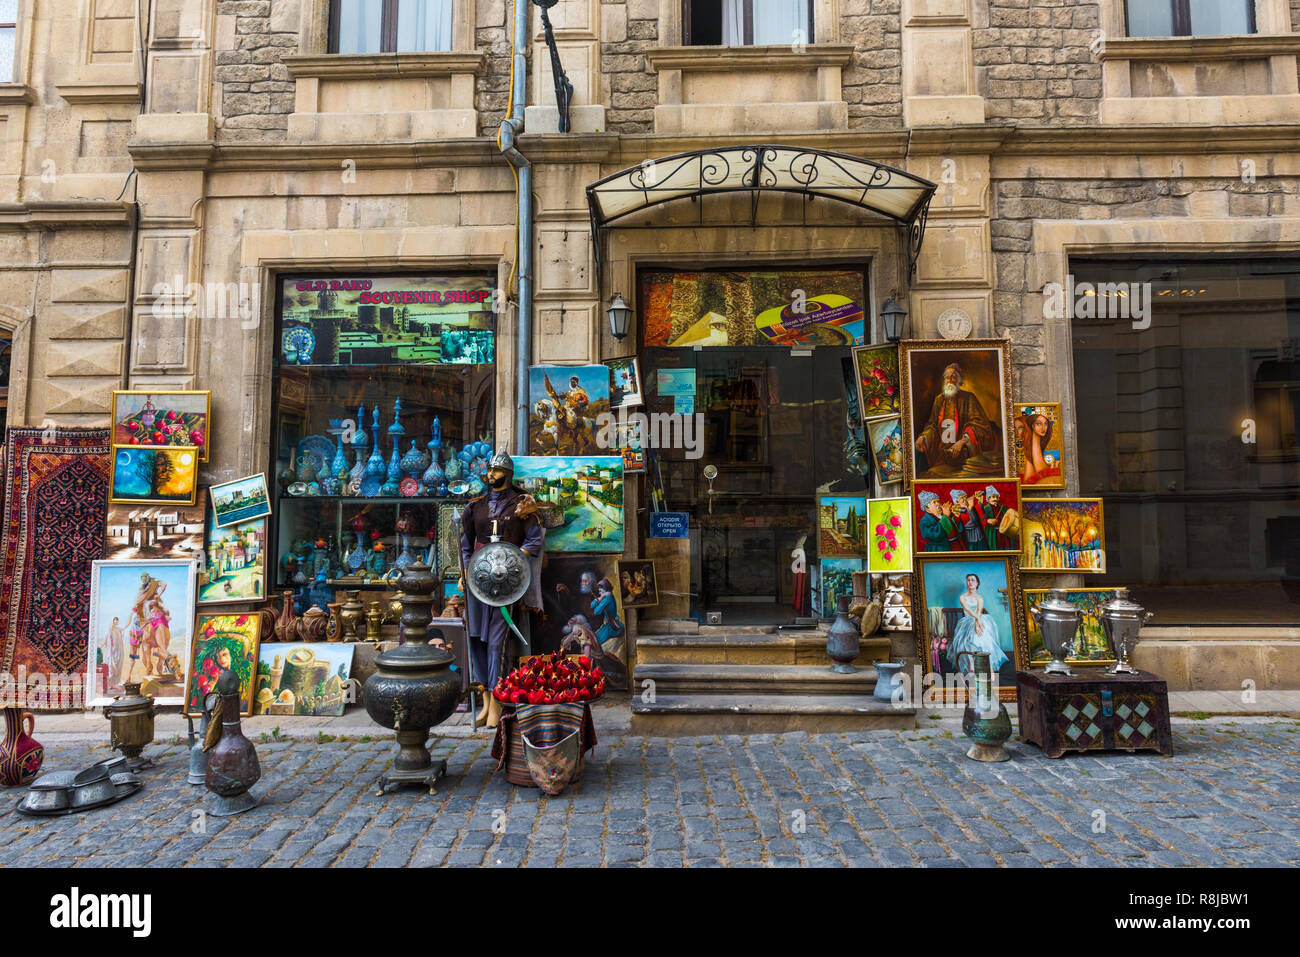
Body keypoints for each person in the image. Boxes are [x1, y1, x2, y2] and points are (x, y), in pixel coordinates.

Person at [459, 448, 543, 728]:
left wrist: (512, 562)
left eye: (495, 471)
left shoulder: (522, 504)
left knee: (497, 642)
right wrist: (466, 571)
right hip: (477, 580)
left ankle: (498, 701)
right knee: (475, 639)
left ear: (506, 474)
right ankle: (484, 702)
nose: (489, 474)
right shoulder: (476, 506)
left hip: (506, 583)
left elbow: (533, 541)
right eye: (489, 470)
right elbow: (466, 544)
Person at [914, 362, 998, 476]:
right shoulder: (939, 400)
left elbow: (980, 424)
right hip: (941, 454)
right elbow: (932, 425)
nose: (949, 380)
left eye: (953, 376)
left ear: (959, 380)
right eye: (947, 377)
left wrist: (963, 441)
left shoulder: (969, 398)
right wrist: (923, 437)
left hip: (964, 453)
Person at [946, 573, 1008, 676]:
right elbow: (968, 610)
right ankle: (974, 663)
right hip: (968, 620)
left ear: (977, 583)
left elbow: (979, 612)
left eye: (972, 580)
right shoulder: (962, 597)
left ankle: (980, 664)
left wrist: (977, 623)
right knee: (974, 633)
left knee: (981, 633)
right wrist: (976, 623)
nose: (970, 582)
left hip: (980, 619)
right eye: (968, 580)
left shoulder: (980, 598)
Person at [1020, 412, 1061, 485]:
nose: (1043, 428)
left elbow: (1040, 469)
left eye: (1045, 424)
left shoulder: (1051, 455)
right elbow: (1027, 481)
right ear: (1032, 426)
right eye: (1038, 424)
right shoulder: (1029, 450)